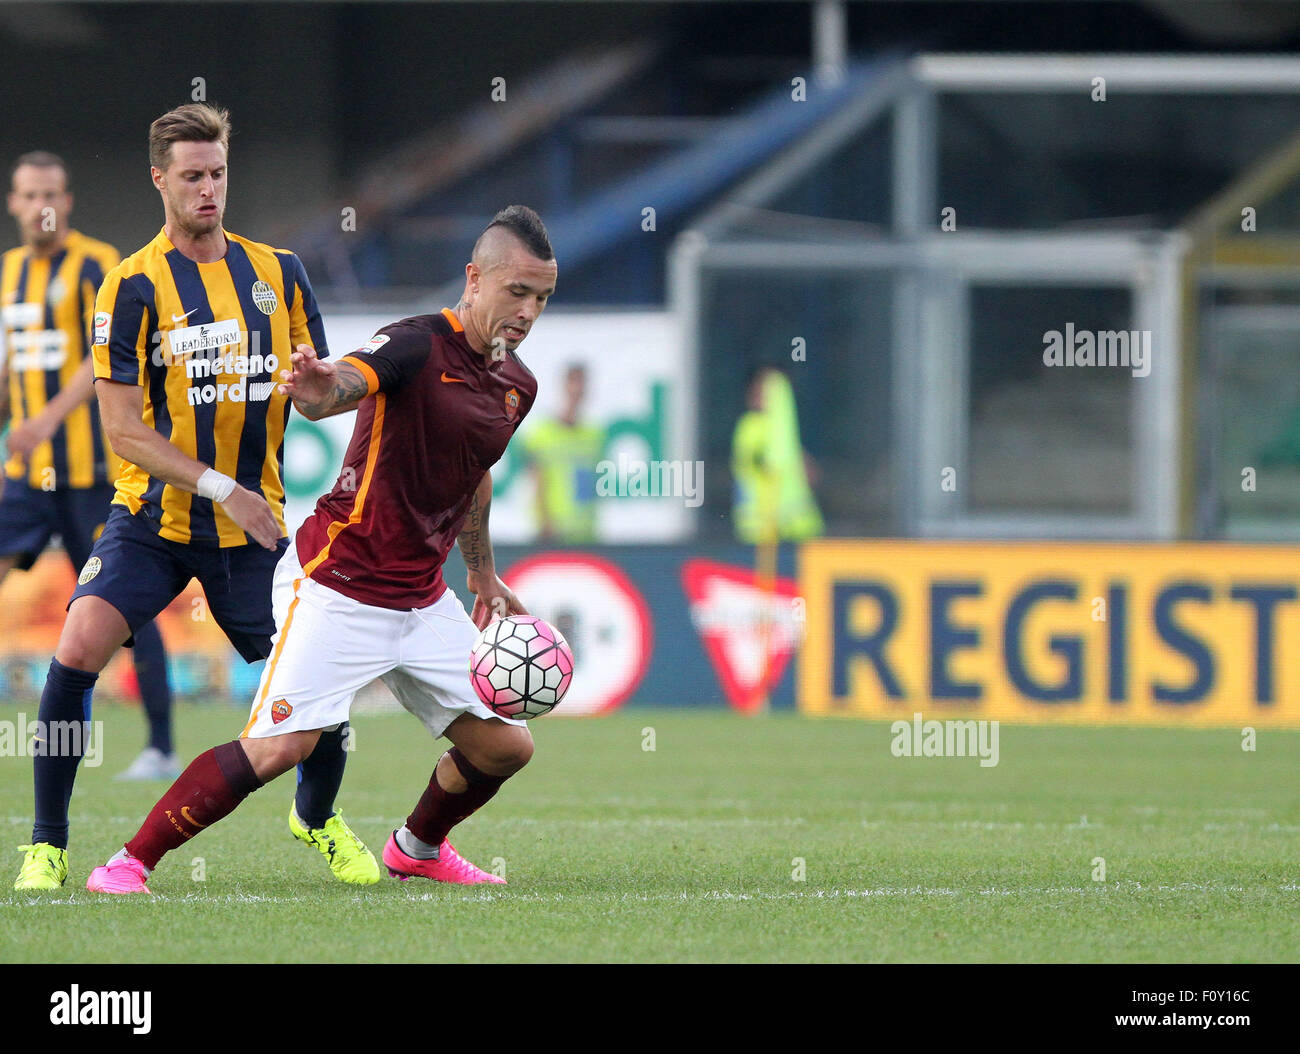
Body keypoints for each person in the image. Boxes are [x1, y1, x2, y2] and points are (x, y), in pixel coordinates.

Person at [85, 204, 555, 894]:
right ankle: (127, 863)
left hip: (421, 600)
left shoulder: (519, 386)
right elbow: (344, 383)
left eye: (542, 297)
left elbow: (475, 474)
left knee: (507, 745)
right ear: (474, 278)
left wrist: (482, 575)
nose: (528, 309)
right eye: (517, 291)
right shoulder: (416, 343)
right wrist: (315, 388)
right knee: (283, 746)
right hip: (337, 584)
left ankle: (415, 849)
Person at [13, 105, 376, 892]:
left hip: (252, 530)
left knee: (321, 692)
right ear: (159, 180)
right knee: (75, 651)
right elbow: (122, 430)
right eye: (192, 177)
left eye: (217, 174)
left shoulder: (280, 271)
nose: (209, 190)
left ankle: (318, 819)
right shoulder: (131, 284)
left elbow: (319, 397)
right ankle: (47, 846)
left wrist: (320, 389)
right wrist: (222, 487)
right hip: (155, 518)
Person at [0, 152, 177, 786]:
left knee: (122, 608)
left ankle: (159, 744)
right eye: (28, 194)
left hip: (94, 474)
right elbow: (11, 370)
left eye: (51, 193)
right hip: (26, 477)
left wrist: (48, 417)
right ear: (15, 203)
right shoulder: (8, 273)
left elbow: (102, 358)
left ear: (67, 201)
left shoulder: (100, 264)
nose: (40, 205)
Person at [731, 365, 824, 543]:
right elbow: (764, 461)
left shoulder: (784, 430)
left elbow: (810, 474)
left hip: (797, 528)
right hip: (762, 530)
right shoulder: (750, 426)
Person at [520, 363, 604, 542]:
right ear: (564, 387)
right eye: (573, 383)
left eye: (582, 384)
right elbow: (536, 482)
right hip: (552, 534)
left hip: (586, 533)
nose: (577, 390)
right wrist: (545, 523)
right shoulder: (542, 434)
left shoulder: (594, 436)